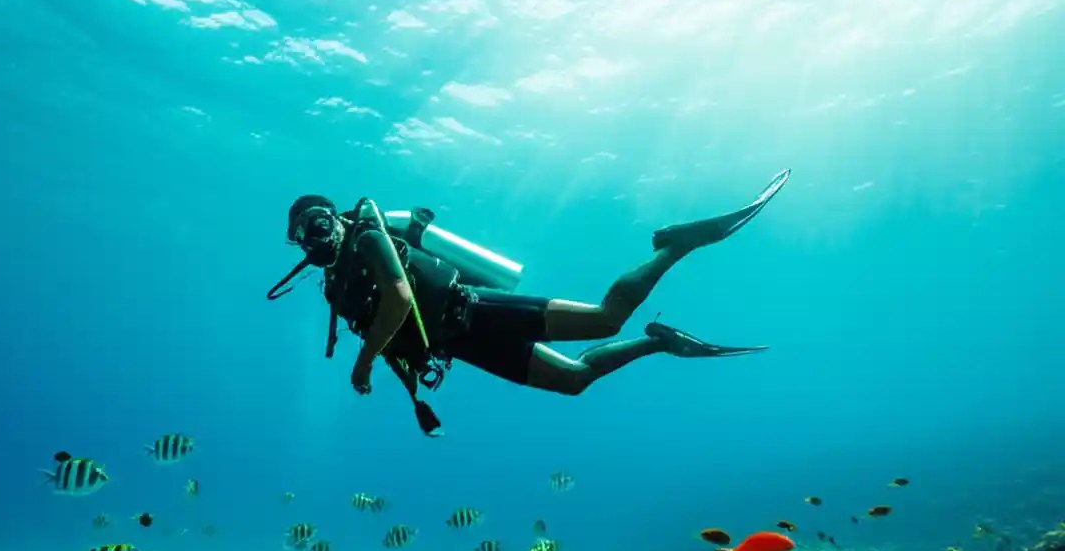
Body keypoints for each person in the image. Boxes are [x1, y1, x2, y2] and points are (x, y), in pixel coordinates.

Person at [266, 169, 791, 435]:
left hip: (472, 308)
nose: (312, 238)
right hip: (460, 345)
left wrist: (361, 365)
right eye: (300, 235)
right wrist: (411, 394)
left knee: (604, 318)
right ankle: (659, 343)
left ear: (333, 217)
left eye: (316, 223)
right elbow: (391, 337)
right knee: (574, 380)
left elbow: (401, 299)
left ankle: (677, 244)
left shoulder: (365, 236)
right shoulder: (336, 287)